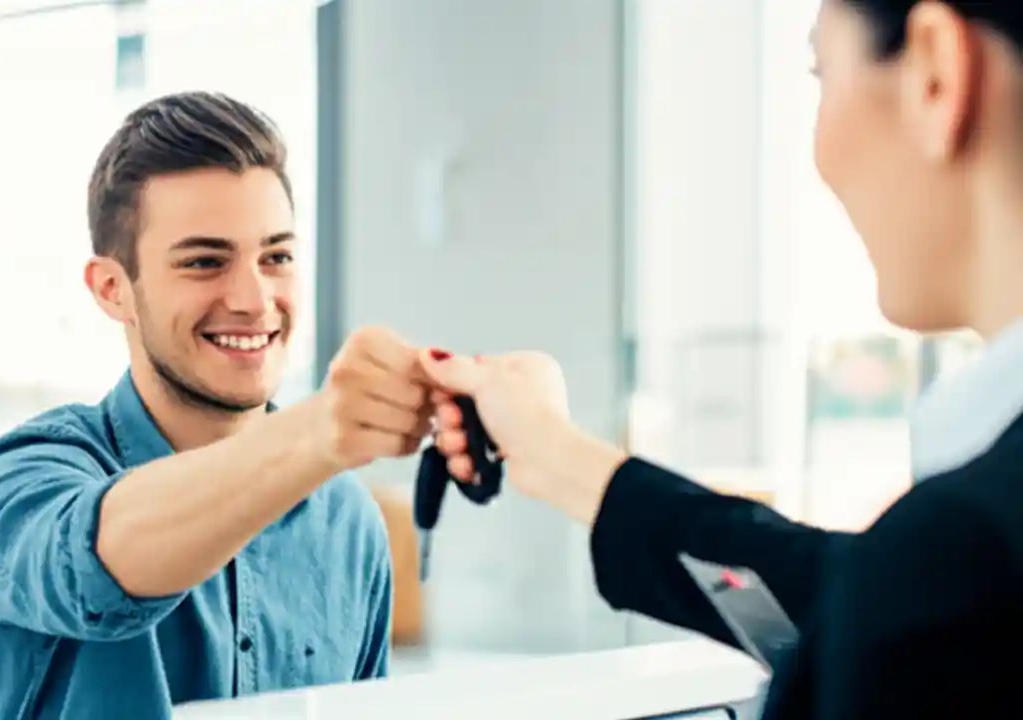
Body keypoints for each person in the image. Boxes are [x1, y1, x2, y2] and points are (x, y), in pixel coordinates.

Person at [421, 1, 1023, 717]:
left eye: (820, 72)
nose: (818, 151)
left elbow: (907, 614)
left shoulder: (964, 559)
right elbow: (854, 595)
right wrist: (557, 454)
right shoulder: (948, 571)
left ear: (934, 73)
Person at [0, 92, 432, 718]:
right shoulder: (18, 479)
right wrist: (319, 433)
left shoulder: (348, 520)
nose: (254, 299)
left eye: (277, 257)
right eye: (205, 261)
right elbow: (100, 562)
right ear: (112, 289)